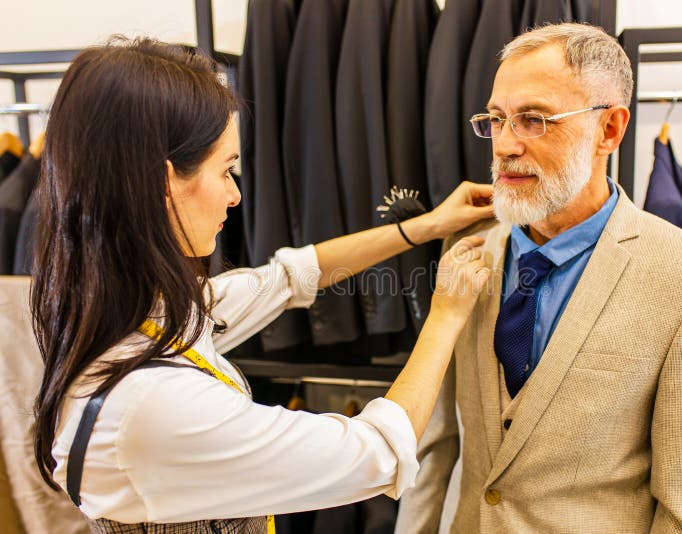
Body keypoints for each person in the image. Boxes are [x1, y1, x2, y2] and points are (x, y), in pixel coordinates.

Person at [30, 38, 494, 531]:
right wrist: (446, 314)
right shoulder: (151, 406)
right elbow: (377, 455)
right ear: (163, 183)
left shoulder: (133, 317)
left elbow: (290, 278)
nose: (235, 195)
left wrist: (424, 227)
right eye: (226, 170)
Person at [396, 23, 682, 533]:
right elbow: (436, 447)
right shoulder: (468, 247)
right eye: (496, 120)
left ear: (609, 129)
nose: (505, 145)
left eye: (533, 120)